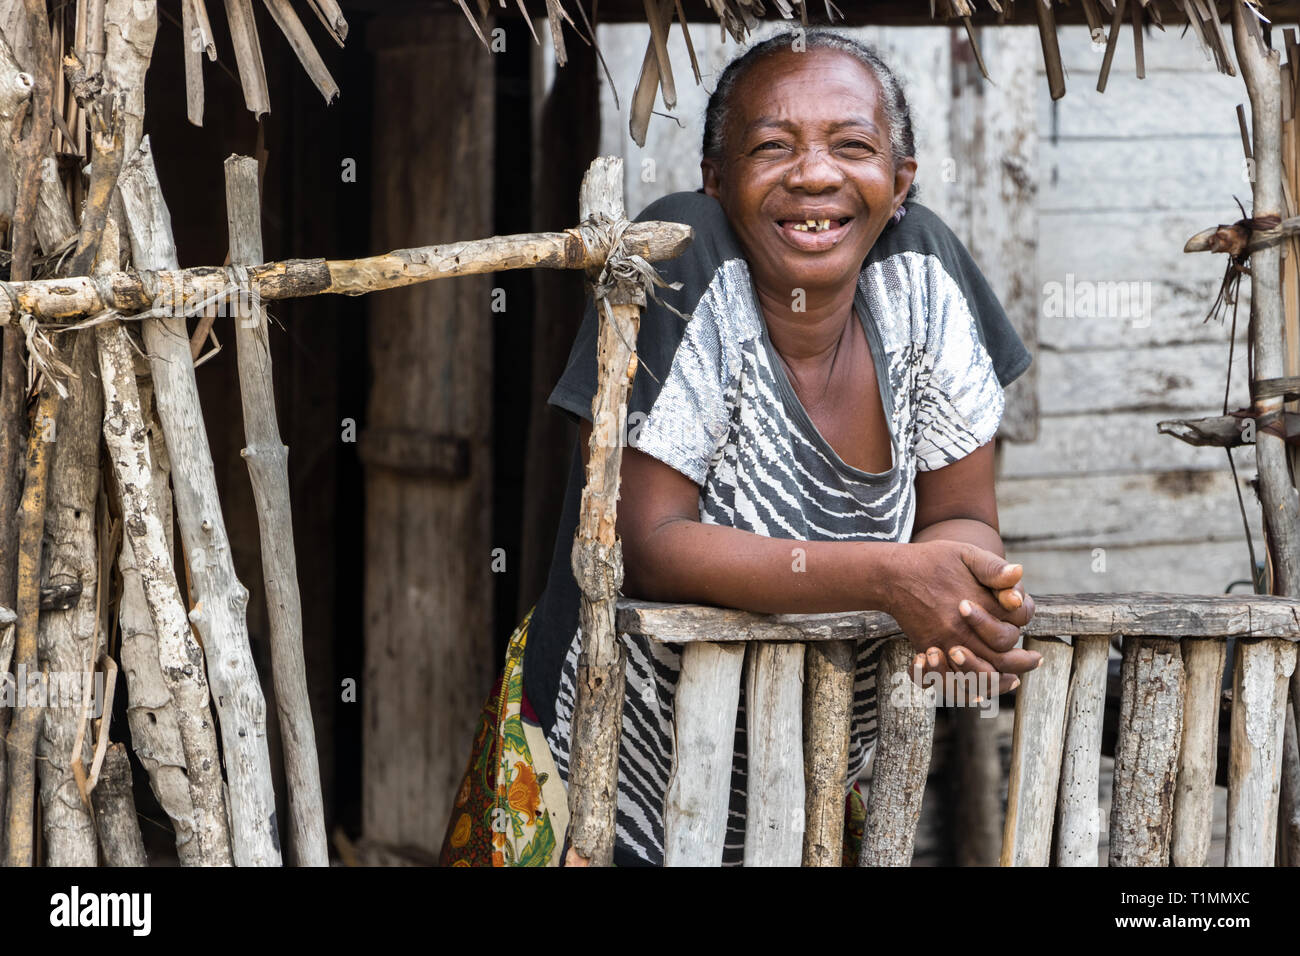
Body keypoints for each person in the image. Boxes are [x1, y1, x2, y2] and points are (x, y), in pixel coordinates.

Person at [440, 29, 1039, 868]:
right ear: (717, 181)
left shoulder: (925, 275)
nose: (816, 175)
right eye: (772, 147)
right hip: (605, 772)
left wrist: (966, 597)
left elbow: (964, 515)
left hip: (808, 782)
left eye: (853, 146)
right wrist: (892, 578)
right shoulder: (680, 258)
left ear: (900, 182)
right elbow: (650, 545)